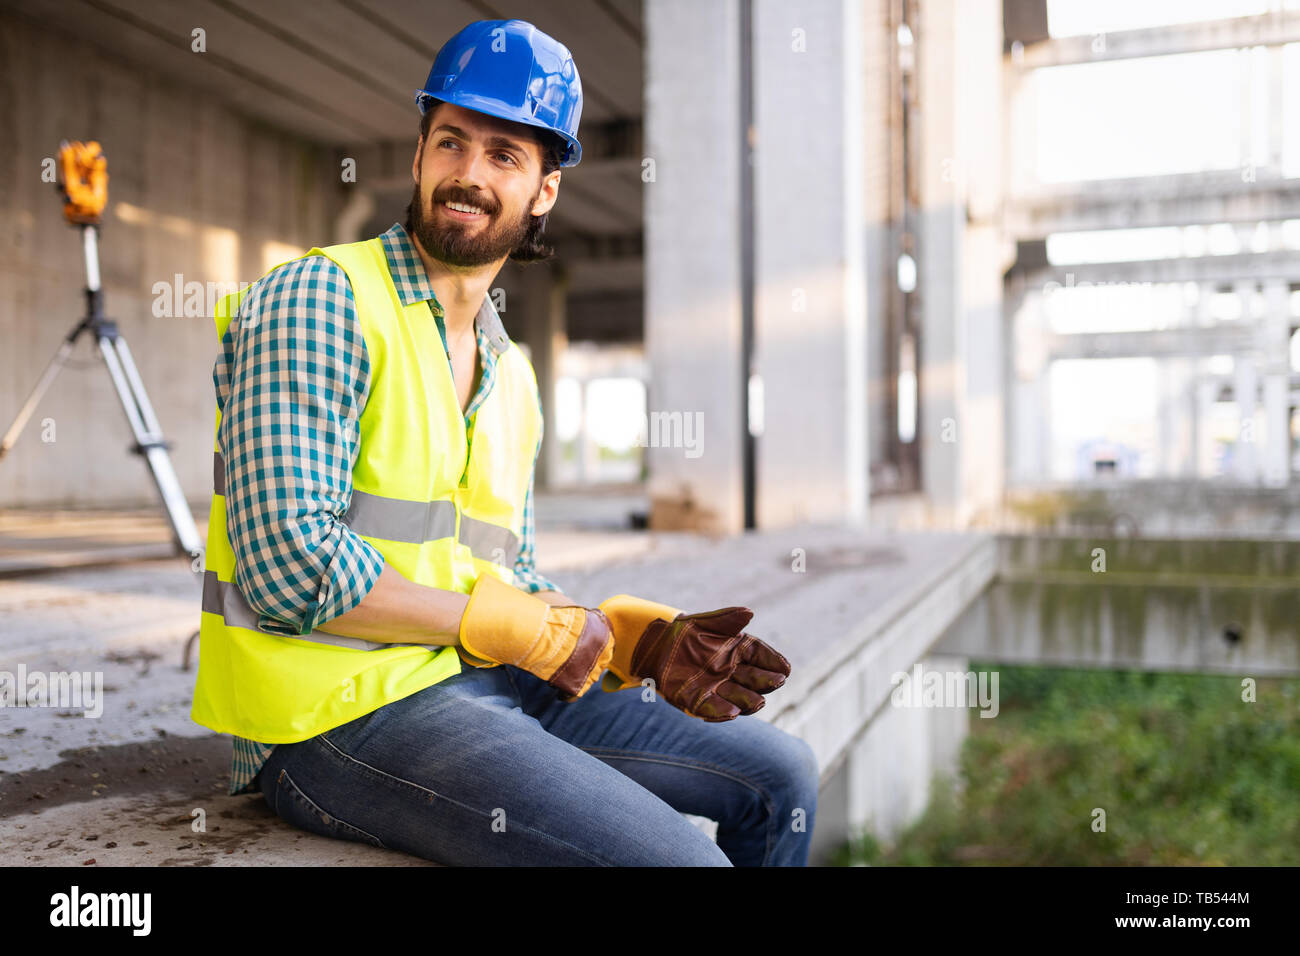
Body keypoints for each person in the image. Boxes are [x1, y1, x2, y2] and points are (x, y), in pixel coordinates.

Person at [190, 18, 818, 866]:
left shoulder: (510, 372)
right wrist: (502, 628)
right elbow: (284, 567)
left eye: (504, 155)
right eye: (451, 142)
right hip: (338, 718)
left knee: (783, 776)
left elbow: (502, 575)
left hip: (475, 677)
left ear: (544, 191)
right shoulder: (323, 299)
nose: (469, 174)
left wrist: (623, 641)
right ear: (417, 154)